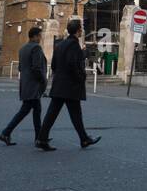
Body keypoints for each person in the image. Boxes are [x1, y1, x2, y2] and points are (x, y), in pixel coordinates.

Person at [39, 19, 101, 149]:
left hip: (59, 84)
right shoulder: (74, 45)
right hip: (70, 86)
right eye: (81, 28)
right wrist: (81, 77)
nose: (82, 30)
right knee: (75, 114)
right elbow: (73, 64)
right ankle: (83, 139)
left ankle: (42, 138)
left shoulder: (60, 45)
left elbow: (54, 65)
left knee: (53, 113)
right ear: (79, 31)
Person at [0, 27, 50, 148]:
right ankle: (6, 133)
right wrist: (43, 80)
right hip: (34, 85)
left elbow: (20, 68)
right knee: (25, 111)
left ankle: (39, 136)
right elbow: (37, 68)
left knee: (36, 111)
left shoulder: (23, 49)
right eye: (40, 36)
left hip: (26, 84)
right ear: (35, 36)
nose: (41, 38)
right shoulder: (36, 48)